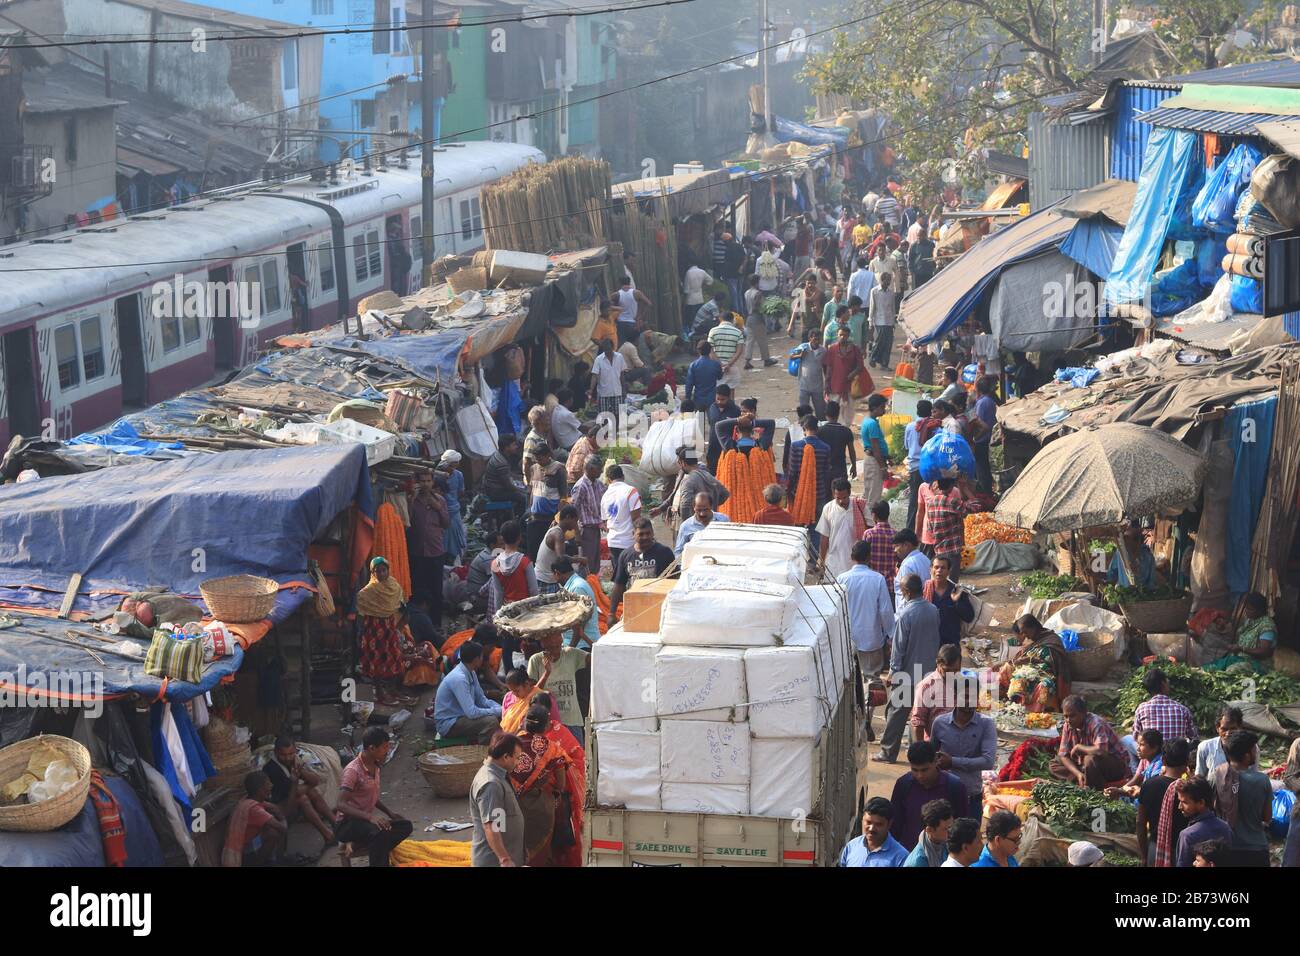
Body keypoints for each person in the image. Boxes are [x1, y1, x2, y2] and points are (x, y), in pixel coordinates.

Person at [507, 697, 585, 866]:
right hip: (538, 807)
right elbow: (561, 784)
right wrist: (554, 793)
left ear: (524, 722)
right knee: (540, 851)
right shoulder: (551, 748)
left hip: (510, 804)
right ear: (546, 725)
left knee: (516, 846)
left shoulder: (510, 744)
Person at [876, 574, 943, 763]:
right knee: (921, 715)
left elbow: (899, 647)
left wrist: (893, 671)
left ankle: (888, 752)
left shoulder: (906, 614)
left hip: (907, 673)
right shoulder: (933, 610)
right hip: (929, 672)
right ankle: (918, 754)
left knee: (897, 713)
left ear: (906, 591)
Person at [334, 726, 412, 867]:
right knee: (380, 835)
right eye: (384, 747)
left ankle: (371, 846)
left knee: (405, 826)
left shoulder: (375, 766)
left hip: (364, 823)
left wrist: (390, 813)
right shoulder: (353, 770)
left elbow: (372, 796)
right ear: (371, 748)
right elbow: (340, 804)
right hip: (347, 824)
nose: (387, 751)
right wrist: (371, 817)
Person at [931, 686, 997, 818]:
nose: (969, 701)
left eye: (973, 697)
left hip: (971, 796)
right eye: (965, 697)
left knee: (969, 837)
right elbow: (930, 756)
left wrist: (952, 762)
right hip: (943, 795)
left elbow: (988, 761)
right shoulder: (939, 723)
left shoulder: (986, 724)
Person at [889, 741, 969, 849]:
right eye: (915, 770)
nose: (920, 775)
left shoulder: (955, 787)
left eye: (924, 770)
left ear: (936, 761)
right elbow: (895, 824)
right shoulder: (903, 785)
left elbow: (961, 826)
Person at [838, 540, 895, 692]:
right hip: (872, 639)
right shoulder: (877, 579)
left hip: (847, 639)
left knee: (850, 682)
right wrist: (892, 636)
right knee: (872, 683)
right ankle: (867, 715)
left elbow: (836, 611)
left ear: (852, 557)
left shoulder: (842, 579)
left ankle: (856, 714)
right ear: (869, 557)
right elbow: (885, 611)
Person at [263, 735, 335, 846]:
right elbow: (296, 792)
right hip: (276, 809)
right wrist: (303, 784)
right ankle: (327, 834)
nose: (287, 758)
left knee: (311, 792)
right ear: (276, 753)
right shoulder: (273, 769)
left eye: (291, 754)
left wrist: (301, 770)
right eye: (283, 755)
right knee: (303, 798)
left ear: (295, 751)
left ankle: (336, 823)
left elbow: (316, 780)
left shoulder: (293, 761)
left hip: (289, 799)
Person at [1215, 730, 1273, 867]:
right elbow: (1267, 817)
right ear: (1247, 755)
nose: (1256, 752)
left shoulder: (1217, 776)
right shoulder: (1262, 780)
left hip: (1226, 846)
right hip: (1255, 847)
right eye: (1254, 749)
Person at [355, 556, 409, 703]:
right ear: (372, 573)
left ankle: (393, 690)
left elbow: (402, 607)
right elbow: (360, 608)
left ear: (388, 570)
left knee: (395, 657)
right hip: (373, 630)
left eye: (383, 570)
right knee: (376, 660)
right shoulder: (367, 592)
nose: (381, 574)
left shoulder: (394, 586)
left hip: (389, 628)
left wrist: (398, 627)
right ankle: (380, 693)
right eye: (377, 571)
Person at [469, 730, 527, 867]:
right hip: (494, 862)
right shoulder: (491, 784)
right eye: (517, 758)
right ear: (506, 757)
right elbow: (492, 826)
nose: (518, 763)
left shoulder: (499, 776)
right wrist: (504, 859)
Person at [1052, 695, 1129, 789]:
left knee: (1089, 759)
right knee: (1054, 764)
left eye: (1072, 716)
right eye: (1065, 716)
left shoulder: (1096, 723)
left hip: (1113, 765)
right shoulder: (1067, 725)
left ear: (1083, 713)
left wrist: (1079, 747)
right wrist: (1078, 773)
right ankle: (1083, 778)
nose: (1068, 720)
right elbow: (1063, 755)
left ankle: (1092, 786)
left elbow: (1101, 751)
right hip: (1085, 766)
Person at [527, 630, 589, 746]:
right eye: (549, 640)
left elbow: (597, 657)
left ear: (561, 639)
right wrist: (547, 673)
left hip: (572, 721)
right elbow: (531, 694)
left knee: (577, 759)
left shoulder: (571, 654)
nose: (554, 644)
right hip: (547, 724)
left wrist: (583, 636)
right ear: (542, 642)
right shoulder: (536, 660)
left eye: (557, 637)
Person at [999, 613, 1071, 713]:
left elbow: (1055, 663)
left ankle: (1035, 713)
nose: (1024, 635)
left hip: (1045, 673)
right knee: (1007, 669)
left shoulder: (1052, 639)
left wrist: (1030, 660)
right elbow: (1022, 655)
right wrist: (1018, 661)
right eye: (1022, 633)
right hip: (1026, 670)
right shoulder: (1033, 639)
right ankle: (1013, 703)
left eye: (1025, 632)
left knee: (1044, 686)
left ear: (1034, 627)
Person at [433, 641, 502, 742]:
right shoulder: (459, 678)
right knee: (491, 722)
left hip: (460, 716)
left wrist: (500, 708)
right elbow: (472, 713)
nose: (483, 659)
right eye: (481, 656)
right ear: (476, 659)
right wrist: (496, 711)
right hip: (448, 723)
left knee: (498, 715)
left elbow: (482, 700)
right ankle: (481, 749)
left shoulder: (471, 672)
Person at [610, 517, 675, 619]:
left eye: (648, 533)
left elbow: (674, 582)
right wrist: (611, 614)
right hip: (634, 608)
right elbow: (619, 585)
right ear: (633, 534)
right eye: (641, 534)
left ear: (653, 533)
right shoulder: (625, 555)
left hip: (659, 608)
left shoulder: (665, 553)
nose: (645, 537)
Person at [408, 471, 450, 624]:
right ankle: (419, 622)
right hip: (417, 552)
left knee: (436, 590)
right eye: (423, 481)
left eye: (428, 481)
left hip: (435, 552)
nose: (425, 484)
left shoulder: (440, 501)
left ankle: (436, 623)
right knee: (418, 589)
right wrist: (411, 500)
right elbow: (408, 521)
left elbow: (446, 524)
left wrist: (437, 508)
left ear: (433, 483)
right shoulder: (413, 500)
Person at [1140, 738, 1190, 866]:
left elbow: (1140, 822)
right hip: (1185, 850)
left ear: (1163, 760)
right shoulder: (1191, 788)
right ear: (1187, 761)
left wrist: (1144, 855)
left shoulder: (1149, 785)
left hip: (1156, 850)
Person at [223, 771, 288, 867]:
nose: (271, 785)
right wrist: (283, 819)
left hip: (241, 846)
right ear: (260, 790)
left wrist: (275, 810)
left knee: (270, 828)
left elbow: (275, 808)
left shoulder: (247, 801)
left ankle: (273, 861)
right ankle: (261, 863)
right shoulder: (254, 809)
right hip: (243, 852)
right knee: (274, 833)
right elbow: (282, 828)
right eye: (268, 784)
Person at [658, 444, 729, 526]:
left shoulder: (688, 480)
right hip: (709, 522)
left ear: (683, 463)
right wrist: (711, 505)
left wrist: (688, 525)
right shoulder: (708, 475)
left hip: (694, 524)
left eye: (679, 463)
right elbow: (725, 493)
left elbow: (685, 505)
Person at [1207, 591, 1277, 672]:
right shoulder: (1250, 621)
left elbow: (1264, 651)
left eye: (1250, 609)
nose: (1246, 611)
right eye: (1246, 608)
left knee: (1231, 670)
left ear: (1259, 610)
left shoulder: (1267, 626)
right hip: (1240, 659)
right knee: (1211, 667)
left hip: (1257, 665)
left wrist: (1242, 649)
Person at [1175, 776, 1233, 867]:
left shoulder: (1187, 835)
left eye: (1185, 802)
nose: (1180, 807)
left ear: (1201, 803)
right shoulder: (1226, 828)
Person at [917, 477, 969, 580]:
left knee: (940, 579)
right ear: (950, 487)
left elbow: (930, 527)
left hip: (938, 549)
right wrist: (962, 488)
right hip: (952, 549)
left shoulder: (931, 503)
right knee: (952, 581)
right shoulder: (953, 502)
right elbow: (967, 512)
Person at [910, 643, 963, 743]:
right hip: (935, 747)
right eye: (947, 670)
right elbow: (918, 722)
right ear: (938, 663)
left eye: (956, 670)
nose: (952, 674)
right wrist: (921, 751)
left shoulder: (963, 684)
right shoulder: (926, 687)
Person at [787, 414, 833, 529]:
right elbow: (827, 473)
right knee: (817, 527)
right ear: (817, 429)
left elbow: (792, 472)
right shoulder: (825, 448)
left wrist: (790, 491)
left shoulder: (796, 446)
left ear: (803, 429)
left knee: (799, 527)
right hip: (819, 493)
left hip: (799, 493)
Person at [524, 441, 566, 561]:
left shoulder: (559, 469)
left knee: (549, 552)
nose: (538, 462)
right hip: (535, 517)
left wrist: (557, 518)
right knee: (533, 550)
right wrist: (531, 510)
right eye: (536, 459)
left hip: (550, 519)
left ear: (548, 455)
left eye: (540, 459)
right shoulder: (534, 468)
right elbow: (532, 491)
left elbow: (563, 496)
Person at [838, 797, 910, 867]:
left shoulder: (901, 858)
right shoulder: (851, 847)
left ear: (889, 824)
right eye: (868, 822)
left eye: (878, 824)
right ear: (862, 820)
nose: (871, 828)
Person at [1132, 668, 1198, 743]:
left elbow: (1136, 737)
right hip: (1176, 753)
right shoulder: (1182, 709)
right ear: (1163, 684)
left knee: (1127, 739)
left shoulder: (1141, 709)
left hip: (1150, 753)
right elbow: (1194, 738)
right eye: (1167, 681)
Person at [487, 521, 538, 617]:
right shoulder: (525, 562)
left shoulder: (495, 564)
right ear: (519, 538)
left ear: (502, 538)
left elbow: (498, 594)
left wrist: (498, 616)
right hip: (526, 611)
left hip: (508, 611)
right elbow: (534, 591)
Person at [924, 556, 974, 647]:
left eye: (943, 568)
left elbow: (969, 617)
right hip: (929, 644)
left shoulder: (957, 591)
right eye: (936, 567)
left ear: (949, 571)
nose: (939, 570)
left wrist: (957, 601)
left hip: (951, 645)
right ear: (931, 569)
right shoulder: (925, 591)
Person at [569, 454, 605, 575]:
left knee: (595, 562)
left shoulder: (598, 484)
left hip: (596, 529)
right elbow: (572, 512)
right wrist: (577, 534)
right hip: (586, 530)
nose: (601, 471)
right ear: (590, 469)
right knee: (586, 563)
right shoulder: (580, 486)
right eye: (599, 468)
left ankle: (594, 588)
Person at [817, 477, 860, 578]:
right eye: (838, 498)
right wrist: (821, 560)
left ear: (849, 493)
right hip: (834, 562)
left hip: (855, 563)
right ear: (833, 494)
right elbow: (824, 537)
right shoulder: (828, 508)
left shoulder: (859, 507)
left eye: (844, 498)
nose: (841, 501)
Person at [600, 464, 642, 569]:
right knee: (633, 574)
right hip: (629, 541)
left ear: (609, 479)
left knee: (619, 576)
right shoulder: (631, 491)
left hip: (613, 542)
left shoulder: (605, 496)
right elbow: (636, 519)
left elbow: (605, 522)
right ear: (623, 476)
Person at [534, 505, 580, 595]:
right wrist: (579, 559)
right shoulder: (558, 534)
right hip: (545, 580)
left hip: (545, 578)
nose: (576, 524)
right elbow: (561, 560)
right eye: (575, 521)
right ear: (568, 517)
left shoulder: (556, 530)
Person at [556, 557, 601, 649]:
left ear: (557, 573)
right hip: (576, 642)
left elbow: (579, 628)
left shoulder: (577, 588)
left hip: (582, 645)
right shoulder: (572, 585)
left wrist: (570, 650)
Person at [1196, 706, 1248, 778]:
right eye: (1224, 729)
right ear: (1217, 728)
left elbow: (1253, 777)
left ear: (1240, 728)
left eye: (1233, 729)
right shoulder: (1205, 747)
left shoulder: (1250, 748)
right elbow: (1199, 777)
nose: (1228, 733)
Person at [902, 400, 930, 532]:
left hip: (914, 467)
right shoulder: (933, 426)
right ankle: (925, 530)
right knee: (928, 500)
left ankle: (910, 531)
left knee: (914, 501)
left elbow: (907, 446)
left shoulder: (910, 426)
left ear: (917, 411)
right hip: (928, 469)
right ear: (930, 412)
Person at [824, 325, 869, 407]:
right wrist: (827, 384)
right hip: (835, 384)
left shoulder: (855, 349)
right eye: (840, 335)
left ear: (848, 336)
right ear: (837, 335)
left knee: (848, 412)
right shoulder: (832, 349)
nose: (842, 337)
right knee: (833, 409)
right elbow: (829, 367)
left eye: (845, 335)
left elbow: (860, 366)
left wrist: (851, 375)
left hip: (850, 385)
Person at [674, 491, 730, 557]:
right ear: (694, 507)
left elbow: (730, 543)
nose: (702, 514)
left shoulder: (723, 520)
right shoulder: (686, 526)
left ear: (711, 506)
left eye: (705, 510)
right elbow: (679, 551)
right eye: (699, 510)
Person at [1108, 518, 1157, 589]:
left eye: (1135, 538)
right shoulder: (1120, 554)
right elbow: (1111, 576)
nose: (1126, 541)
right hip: (1124, 596)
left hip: (1141, 597)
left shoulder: (1148, 557)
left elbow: (1151, 584)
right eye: (1125, 538)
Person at [483, 433, 527, 514]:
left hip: (493, 489)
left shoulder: (499, 454)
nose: (516, 447)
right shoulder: (501, 462)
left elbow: (509, 474)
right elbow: (508, 485)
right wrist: (523, 491)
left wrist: (522, 478)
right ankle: (520, 520)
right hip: (495, 493)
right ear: (506, 447)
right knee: (523, 497)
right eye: (513, 445)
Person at [791, 327, 828, 419]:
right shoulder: (803, 347)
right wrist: (800, 355)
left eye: (819, 339)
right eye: (815, 338)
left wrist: (827, 382)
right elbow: (792, 356)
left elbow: (825, 368)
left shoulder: (823, 351)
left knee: (820, 412)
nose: (817, 341)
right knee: (804, 412)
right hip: (804, 386)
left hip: (818, 387)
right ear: (810, 338)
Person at [858, 393, 889, 506]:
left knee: (868, 491)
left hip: (872, 459)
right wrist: (883, 468)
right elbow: (875, 448)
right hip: (874, 461)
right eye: (882, 407)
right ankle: (871, 520)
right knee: (874, 495)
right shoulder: (872, 424)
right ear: (874, 408)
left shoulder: (869, 421)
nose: (884, 410)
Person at [970, 375, 998, 493]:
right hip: (986, 439)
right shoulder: (989, 401)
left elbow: (982, 425)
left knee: (982, 471)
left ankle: (985, 495)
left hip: (981, 441)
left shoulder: (982, 402)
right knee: (984, 470)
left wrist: (975, 438)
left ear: (978, 389)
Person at [707, 305, 746, 389]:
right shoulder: (738, 332)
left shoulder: (713, 331)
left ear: (720, 319)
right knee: (731, 392)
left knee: (718, 394)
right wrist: (728, 365)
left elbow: (710, 351)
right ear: (732, 320)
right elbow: (739, 351)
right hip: (731, 368)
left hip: (716, 368)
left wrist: (721, 365)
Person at [706, 385, 742, 472]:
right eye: (717, 398)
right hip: (712, 448)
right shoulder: (712, 408)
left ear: (728, 397)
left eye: (722, 399)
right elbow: (711, 423)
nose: (719, 401)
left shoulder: (736, 411)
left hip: (727, 449)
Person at [589, 338, 628, 419]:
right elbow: (594, 375)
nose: (607, 351)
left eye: (609, 348)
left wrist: (624, 389)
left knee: (619, 415)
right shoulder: (599, 359)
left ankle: (618, 430)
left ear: (612, 347)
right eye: (605, 349)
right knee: (604, 416)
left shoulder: (619, 357)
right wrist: (591, 389)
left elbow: (622, 374)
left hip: (617, 391)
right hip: (604, 393)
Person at [891, 529, 931, 608]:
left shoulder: (907, 565)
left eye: (896, 546)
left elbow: (905, 595)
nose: (895, 550)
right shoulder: (925, 559)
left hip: (910, 611)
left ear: (906, 545)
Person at [861, 500, 896, 591]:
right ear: (888, 514)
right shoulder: (895, 535)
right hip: (890, 584)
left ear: (874, 515)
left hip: (871, 584)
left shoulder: (869, 534)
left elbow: (862, 559)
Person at [467, 530, 502, 612]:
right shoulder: (488, 559)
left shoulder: (487, 554)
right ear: (492, 545)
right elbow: (498, 582)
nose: (504, 546)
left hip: (478, 592)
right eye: (501, 544)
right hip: (477, 597)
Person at [867, 272, 897, 370]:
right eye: (887, 280)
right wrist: (870, 322)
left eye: (889, 280)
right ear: (882, 280)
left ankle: (884, 364)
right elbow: (872, 307)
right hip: (879, 321)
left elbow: (893, 308)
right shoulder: (874, 291)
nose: (888, 282)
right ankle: (873, 357)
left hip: (889, 321)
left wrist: (893, 322)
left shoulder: (891, 293)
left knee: (888, 344)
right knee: (880, 342)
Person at [612, 274, 651, 345]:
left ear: (620, 283)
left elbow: (609, 307)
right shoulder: (636, 293)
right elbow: (648, 303)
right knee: (635, 344)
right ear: (629, 282)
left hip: (621, 324)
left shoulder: (616, 295)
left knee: (622, 345)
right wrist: (640, 317)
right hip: (633, 323)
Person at [685, 341, 724, 409]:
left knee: (700, 418)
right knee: (712, 418)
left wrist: (687, 398)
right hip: (712, 398)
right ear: (710, 351)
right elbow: (720, 377)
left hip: (698, 398)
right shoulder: (716, 364)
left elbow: (689, 384)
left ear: (698, 351)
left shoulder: (693, 365)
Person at [682, 261, 713, 332]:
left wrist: (683, 301)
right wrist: (703, 286)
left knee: (691, 319)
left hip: (690, 300)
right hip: (700, 298)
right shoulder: (702, 272)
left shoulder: (689, 272)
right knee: (699, 318)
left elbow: (686, 290)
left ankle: (691, 333)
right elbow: (710, 281)